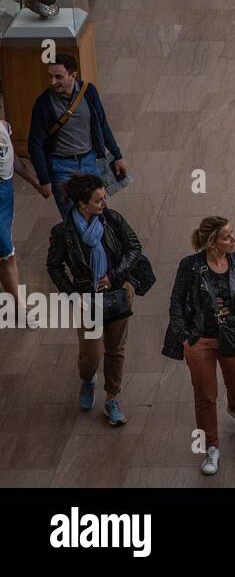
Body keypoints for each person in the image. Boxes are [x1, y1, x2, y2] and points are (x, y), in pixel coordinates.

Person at [163, 216, 235, 477]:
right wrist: (184, 335)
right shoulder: (191, 266)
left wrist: (233, 308)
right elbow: (176, 300)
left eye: (232, 234)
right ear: (211, 242)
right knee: (205, 394)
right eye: (227, 237)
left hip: (232, 335)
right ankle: (211, 447)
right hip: (200, 338)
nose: (234, 239)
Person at [46, 173, 143, 427]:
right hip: (86, 300)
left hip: (118, 294)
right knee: (91, 355)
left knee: (115, 349)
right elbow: (54, 266)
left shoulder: (112, 220)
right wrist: (72, 294)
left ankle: (112, 399)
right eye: (98, 200)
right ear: (82, 204)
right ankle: (88, 379)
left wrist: (114, 276)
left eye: (104, 197)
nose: (104, 203)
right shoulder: (63, 232)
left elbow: (134, 248)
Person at [28, 54, 126, 220]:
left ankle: (99, 245)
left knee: (98, 211)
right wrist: (44, 179)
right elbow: (35, 143)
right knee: (72, 219)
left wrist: (117, 155)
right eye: (50, 77)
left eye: (58, 77)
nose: (52, 82)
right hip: (61, 167)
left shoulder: (89, 91)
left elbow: (102, 124)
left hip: (89, 162)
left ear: (73, 76)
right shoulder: (43, 103)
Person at [0, 115, 41, 298]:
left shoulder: (3, 129)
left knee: (6, 253)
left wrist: (35, 182)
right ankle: (18, 303)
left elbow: (14, 160)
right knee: (6, 253)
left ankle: (18, 303)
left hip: (5, 199)